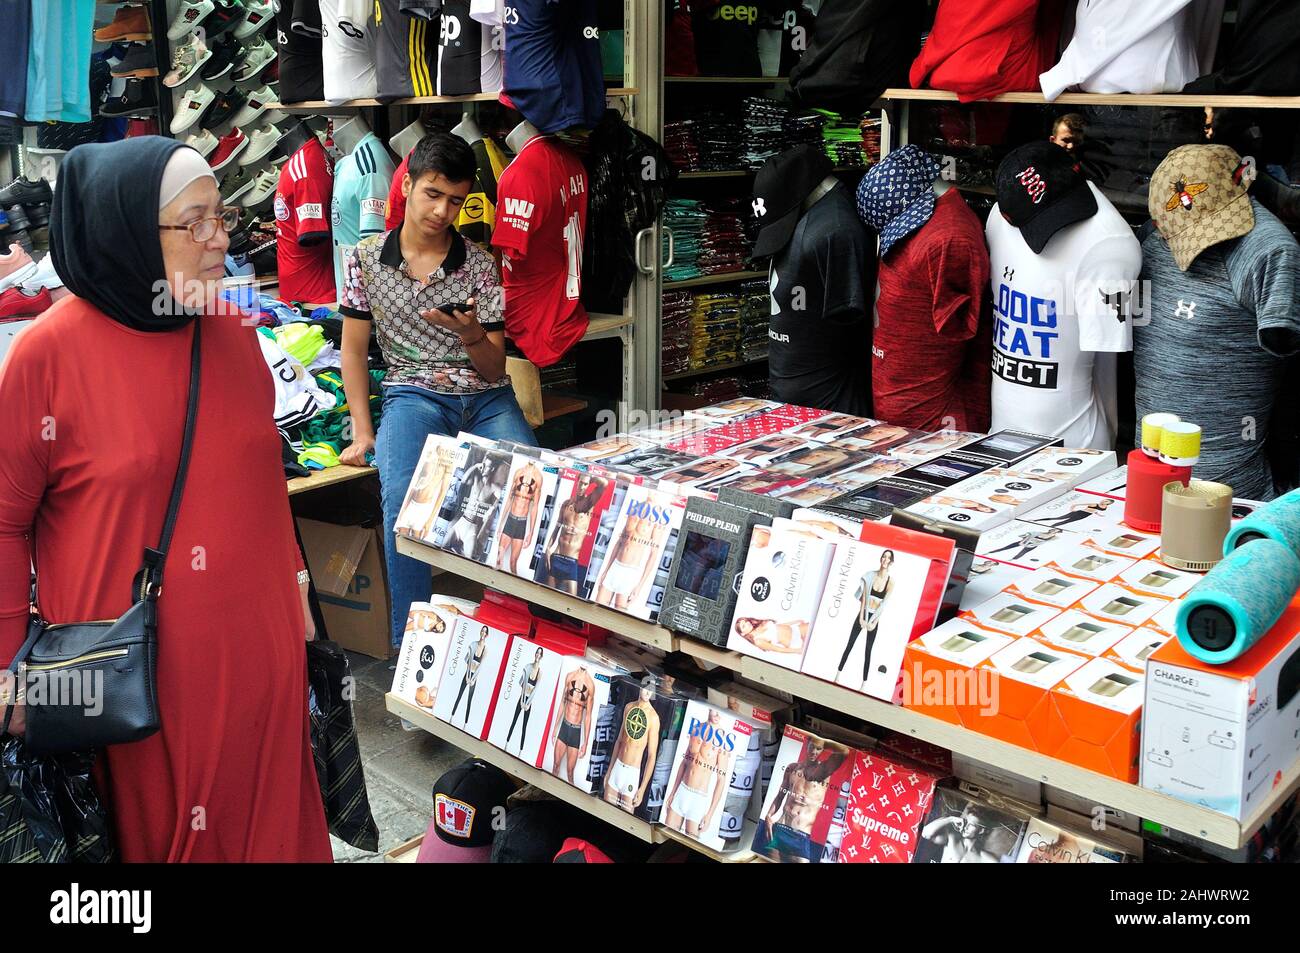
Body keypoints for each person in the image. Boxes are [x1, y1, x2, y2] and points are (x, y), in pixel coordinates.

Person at [0, 137, 329, 862]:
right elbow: (3, 523)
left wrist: (298, 582)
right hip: (134, 674)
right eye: (195, 221)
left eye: (222, 215)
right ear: (123, 232)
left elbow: (258, 474)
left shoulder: (233, 327)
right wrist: (7, 668)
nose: (222, 239)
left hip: (261, 649)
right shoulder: (45, 356)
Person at [336, 132, 535, 650]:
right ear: (407, 185)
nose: (442, 211)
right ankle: (412, 649)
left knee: (533, 485)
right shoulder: (364, 259)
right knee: (404, 502)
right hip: (412, 395)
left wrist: (470, 333)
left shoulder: (481, 264)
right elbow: (353, 351)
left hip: (487, 399)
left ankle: (520, 635)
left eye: (455, 200)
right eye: (433, 193)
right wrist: (362, 432)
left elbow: (494, 369)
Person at [759, 737, 847, 863]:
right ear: (807, 745)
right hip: (780, 828)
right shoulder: (792, 767)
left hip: (801, 834)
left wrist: (823, 741)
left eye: (819, 749)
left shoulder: (824, 771)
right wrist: (768, 815)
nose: (814, 752)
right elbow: (780, 796)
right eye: (812, 747)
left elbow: (844, 752)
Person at [594, 492, 672, 612]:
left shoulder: (658, 518)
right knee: (597, 610)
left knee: (618, 616)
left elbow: (653, 554)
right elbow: (619, 542)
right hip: (615, 567)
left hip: (630, 573)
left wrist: (639, 587)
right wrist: (605, 571)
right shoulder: (635, 509)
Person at [663, 708, 733, 838]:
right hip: (681, 792)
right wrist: (672, 793)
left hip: (698, 799)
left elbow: (721, 779)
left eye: (720, 712)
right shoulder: (696, 729)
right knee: (667, 836)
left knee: (689, 844)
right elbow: (684, 763)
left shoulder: (723, 739)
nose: (718, 714)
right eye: (715, 711)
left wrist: (710, 814)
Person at [540, 474, 607, 594]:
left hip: (572, 560)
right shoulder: (566, 504)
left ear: (589, 485)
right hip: (557, 556)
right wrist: (548, 548)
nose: (582, 487)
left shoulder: (589, 503)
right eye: (581, 483)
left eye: (585, 484)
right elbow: (557, 527)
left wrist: (591, 478)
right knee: (547, 597)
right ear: (577, 482)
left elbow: (604, 484)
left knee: (571, 599)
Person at [837, 550, 894, 684]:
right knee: (850, 644)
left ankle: (864, 683)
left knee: (868, 650)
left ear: (891, 562)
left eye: (888, 558)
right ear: (881, 558)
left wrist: (874, 622)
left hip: (874, 617)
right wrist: (861, 618)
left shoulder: (890, 582)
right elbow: (863, 599)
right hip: (863, 612)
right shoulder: (870, 576)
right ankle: (837, 675)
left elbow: (883, 605)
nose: (885, 560)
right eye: (884, 557)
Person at [603, 685, 661, 811]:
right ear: (640, 687)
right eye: (646, 688)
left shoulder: (653, 717)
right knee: (606, 811)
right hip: (617, 767)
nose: (648, 692)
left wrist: (642, 788)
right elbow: (619, 741)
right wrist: (609, 770)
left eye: (651, 690)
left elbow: (652, 756)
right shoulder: (629, 707)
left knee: (625, 817)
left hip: (632, 773)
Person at [495, 460, 543, 574]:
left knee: (513, 563)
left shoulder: (538, 477)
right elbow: (509, 499)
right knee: (499, 559)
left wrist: (531, 533)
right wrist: (501, 525)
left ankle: (513, 584)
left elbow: (535, 506)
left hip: (521, 523)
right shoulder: (518, 472)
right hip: (510, 520)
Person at [550, 664, 595, 783]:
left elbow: (588, 716)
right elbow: (562, 703)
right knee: (555, 765)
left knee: (570, 772)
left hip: (575, 731)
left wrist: (586, 743)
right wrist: (555, 728)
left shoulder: (590, 685)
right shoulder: (570, 676)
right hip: (564, 727)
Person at [920, 804, 1001, 863]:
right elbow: (925, 833)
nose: (965, 826)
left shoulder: (985, 858)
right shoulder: (952, 838)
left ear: (981, 831)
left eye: (971, 825)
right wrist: (950, 819)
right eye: (966, 822)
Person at [505, 646, 544, 753]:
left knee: (524, 726)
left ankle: (521, 750)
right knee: (514, 720)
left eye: (540, 654)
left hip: (529, 702)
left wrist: (527, 703)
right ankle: (506, 742)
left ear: (541, 656)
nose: (538, 655)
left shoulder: (540, 672)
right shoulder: (527, 667)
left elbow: (535, 690)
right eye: (537, 653)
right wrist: (522, 699)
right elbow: (521, 682)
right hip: (522, 697)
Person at [450, 625, 490, 726]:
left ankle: (466, 723)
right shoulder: (473, 644)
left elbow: (480, 666)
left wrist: (472, 679)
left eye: (485, 632)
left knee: (469, 700)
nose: (483, 633)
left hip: (474, 677)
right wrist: (468, 674)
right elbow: (466, 659)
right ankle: (451, 716)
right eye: (482, 631)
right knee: (459, 695)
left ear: (487, 635)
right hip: (467, 673)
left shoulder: (485, 649)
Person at [733, 617, 810, 654]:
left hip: (796, 629)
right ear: (743, 634)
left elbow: (778, 626)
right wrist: (798, 650)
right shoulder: (758, 641)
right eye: (744, 626)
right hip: (795, 641)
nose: (747, 624)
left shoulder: (759, 626)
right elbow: (778, 649)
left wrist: (795, 621)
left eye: (746, 622)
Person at [1034, 497, 1114, 528]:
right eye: (1104, 500)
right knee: (1058, 518)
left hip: (1085, 515)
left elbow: (1095, 510)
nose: (1103, 500)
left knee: (1066, 522)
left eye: (1106, 501)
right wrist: (1072, 509)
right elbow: (1076, 504)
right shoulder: (1094, 504)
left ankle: (1051, 527)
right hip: (1079, 513)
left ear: (1109, 503)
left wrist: (1098, 514)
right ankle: (1036, 520)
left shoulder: (1105, 507)